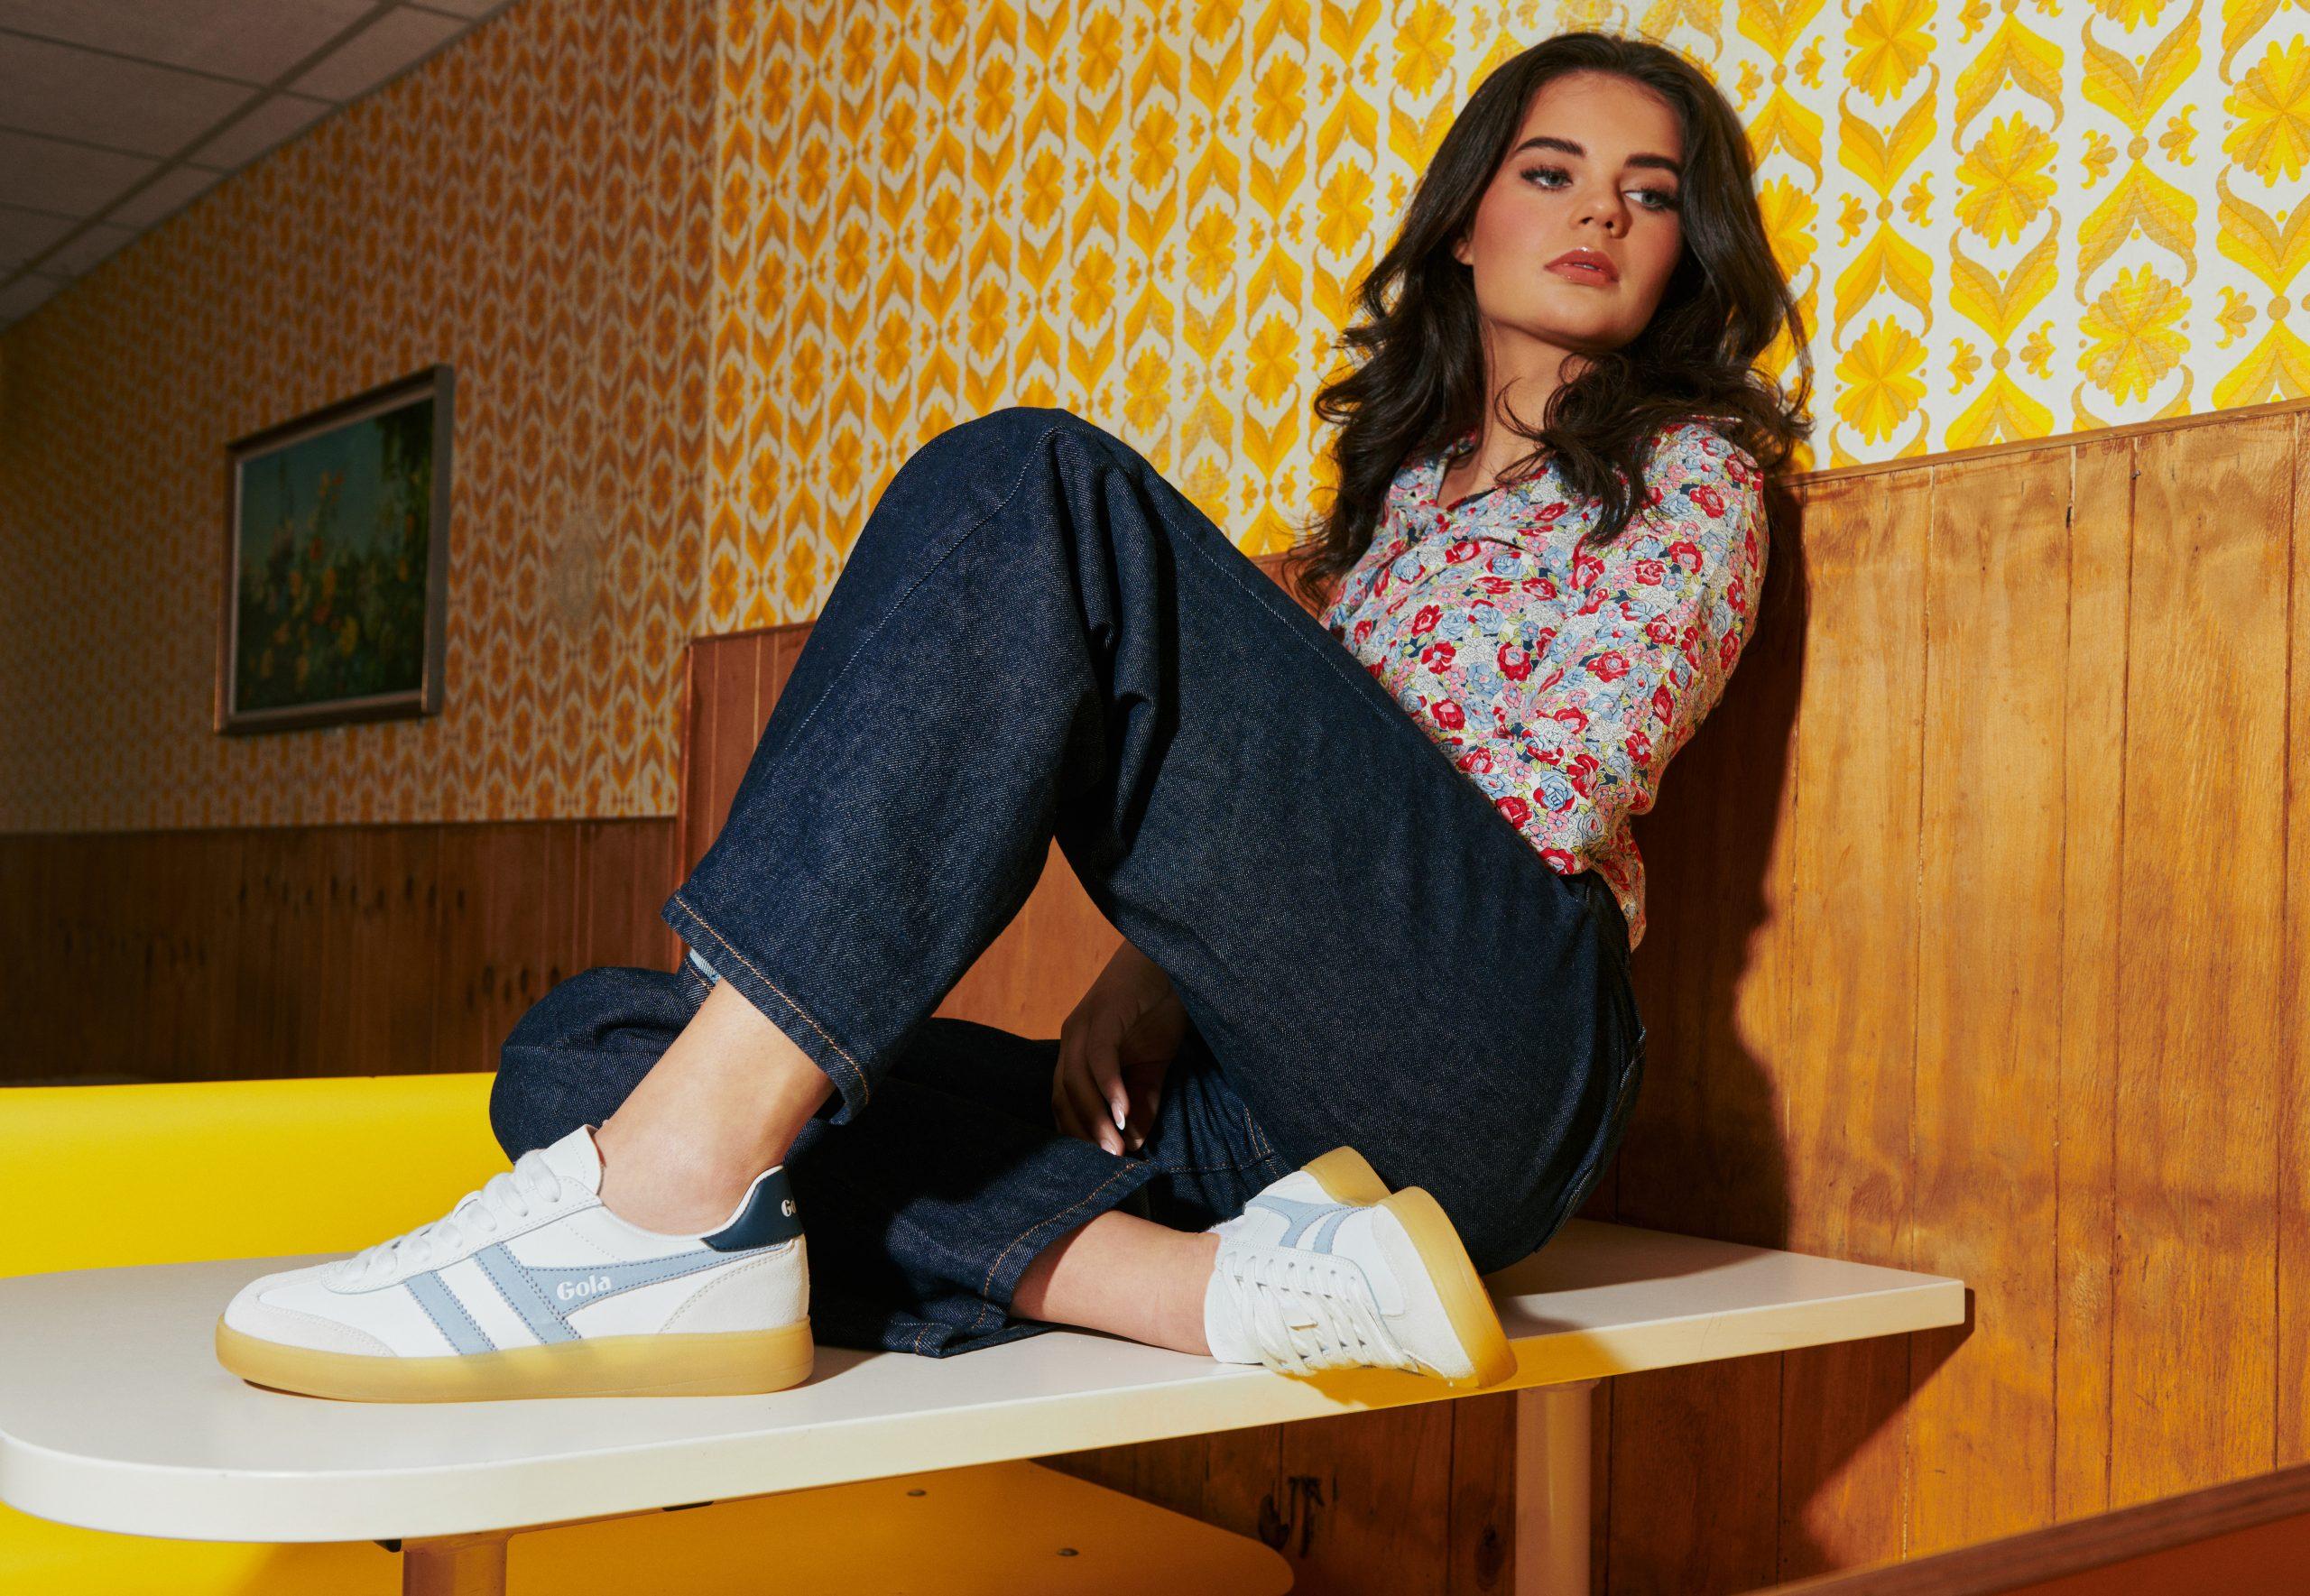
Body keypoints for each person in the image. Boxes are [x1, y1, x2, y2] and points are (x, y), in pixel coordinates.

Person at [212, 30, 1812, 1404]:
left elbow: (1545, 791)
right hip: (1280, 1132)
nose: (1603, 205)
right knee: (591, 1049)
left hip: (1494, 1056)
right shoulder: (1383, 517)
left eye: (1651, 191)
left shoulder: (1690, 474)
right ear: (1466, 221)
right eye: (1552, 169)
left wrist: (1163, 966)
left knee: (1033, 484)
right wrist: (1164, 977)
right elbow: (1289, 824)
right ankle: (1214, 1293)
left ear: (1682, 253)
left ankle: (672, 1215)